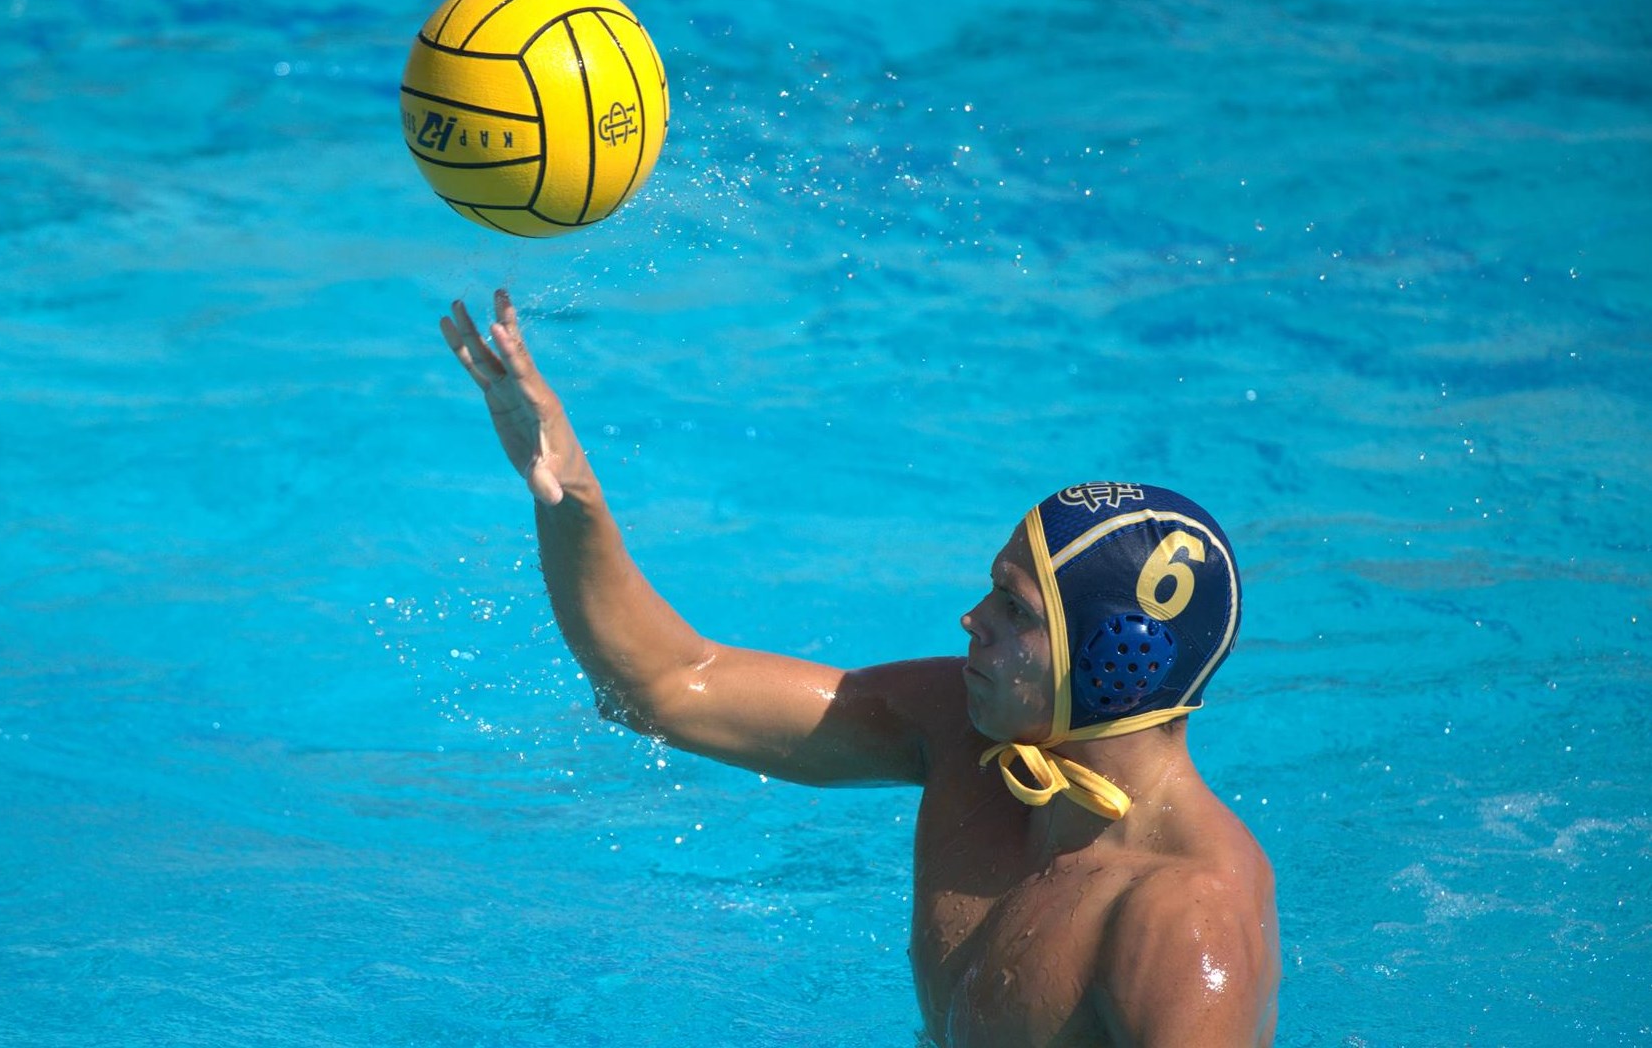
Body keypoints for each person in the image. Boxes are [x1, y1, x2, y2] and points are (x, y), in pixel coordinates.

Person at [438, 290, 1280, 1047]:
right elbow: (664, 687)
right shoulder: (962, 728)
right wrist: (570, 487)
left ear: (1115, 664)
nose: (971, 621)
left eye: (1015, 612)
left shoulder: (1179, 924)